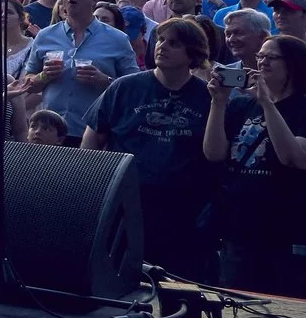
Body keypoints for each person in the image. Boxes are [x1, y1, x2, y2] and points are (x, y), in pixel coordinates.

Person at [82, 17, 218, 281]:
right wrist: (93, 188)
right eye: (161, 40)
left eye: (174, 43)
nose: (162, 47)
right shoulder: (125, 87)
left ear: (193, 53)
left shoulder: (208, 96)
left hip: (183, 212)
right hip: (127, 205)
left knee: (177, 284)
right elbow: (93, 138)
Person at [206, 32, 306, 299]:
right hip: (240, 230)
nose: (262, 63)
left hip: (289, 233)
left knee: (287, 309)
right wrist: (218, 104)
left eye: (271, 58)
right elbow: (214, 152)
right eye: (260, 56)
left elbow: (294, 157)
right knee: (236, 305)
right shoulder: (241, 106)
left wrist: (267, 103)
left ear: (294, 66)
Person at [25, 0, 138, 139]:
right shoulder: (45, 36)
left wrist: (104, 81)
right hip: (50, 134)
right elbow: (28, 85)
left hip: (95, 134)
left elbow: (134, 89)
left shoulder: (117, 39)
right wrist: (44, 76)